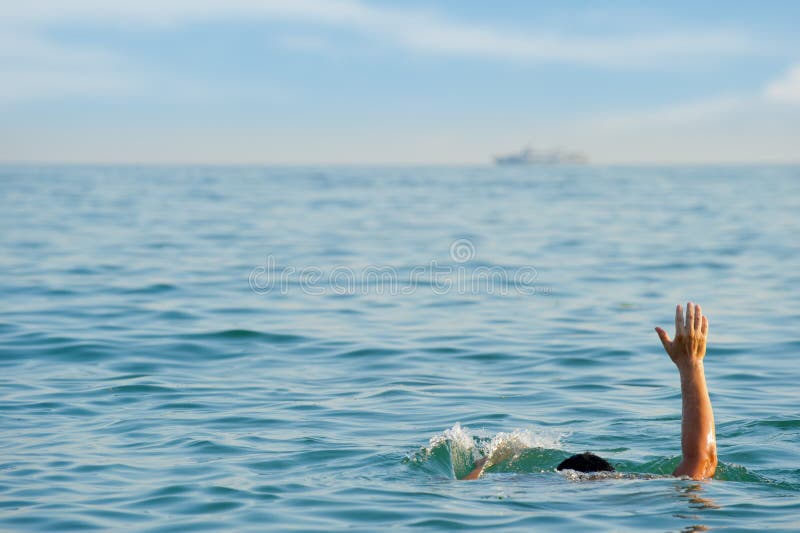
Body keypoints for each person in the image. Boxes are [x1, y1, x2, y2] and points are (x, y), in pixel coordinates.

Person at [462, 303, 717, 481]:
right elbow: (702, 465)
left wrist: (483, 465)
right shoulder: (630, 485)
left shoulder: (544, 485)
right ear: (611, 475)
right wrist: (691, 365)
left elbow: (468, 489)